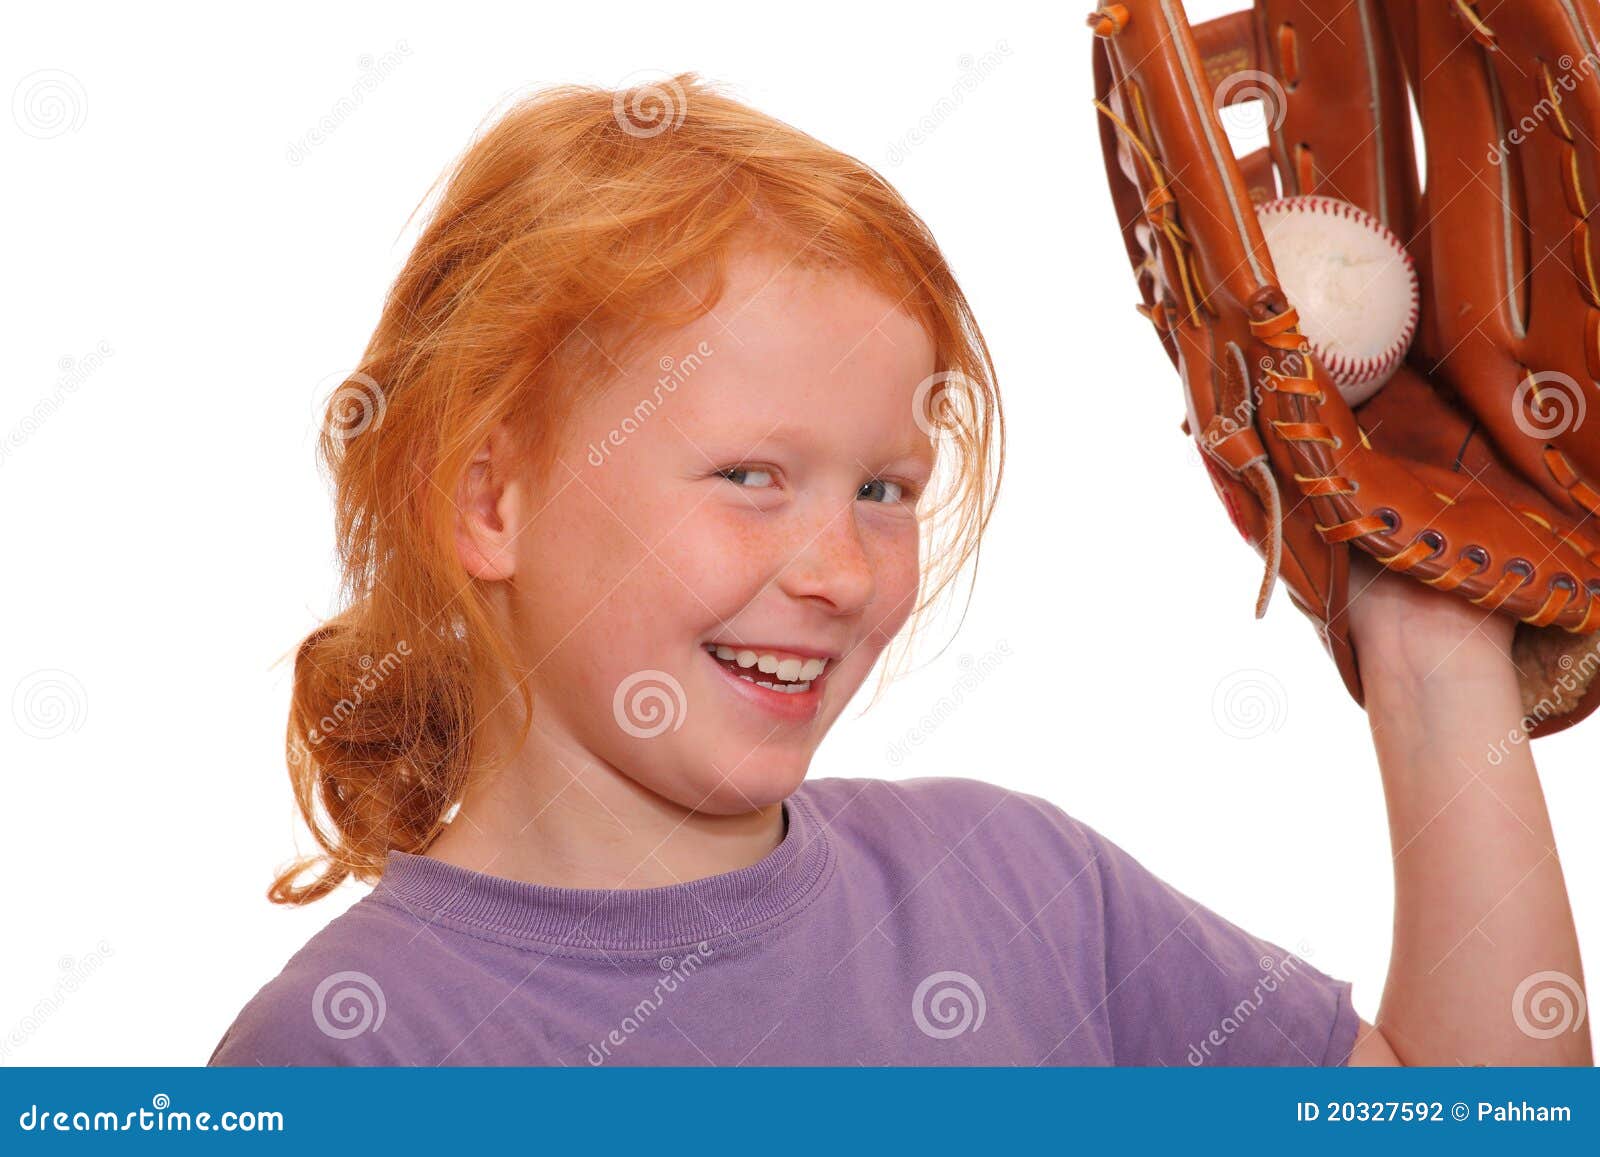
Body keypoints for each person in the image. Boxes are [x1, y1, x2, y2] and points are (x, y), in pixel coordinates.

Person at [207, 74, 1587, 1067]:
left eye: (885, 489)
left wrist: (1425, 647)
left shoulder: (1018, 885)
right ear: (491, 504)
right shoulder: (354, 1055)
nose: (837, 569)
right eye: (752, 475)